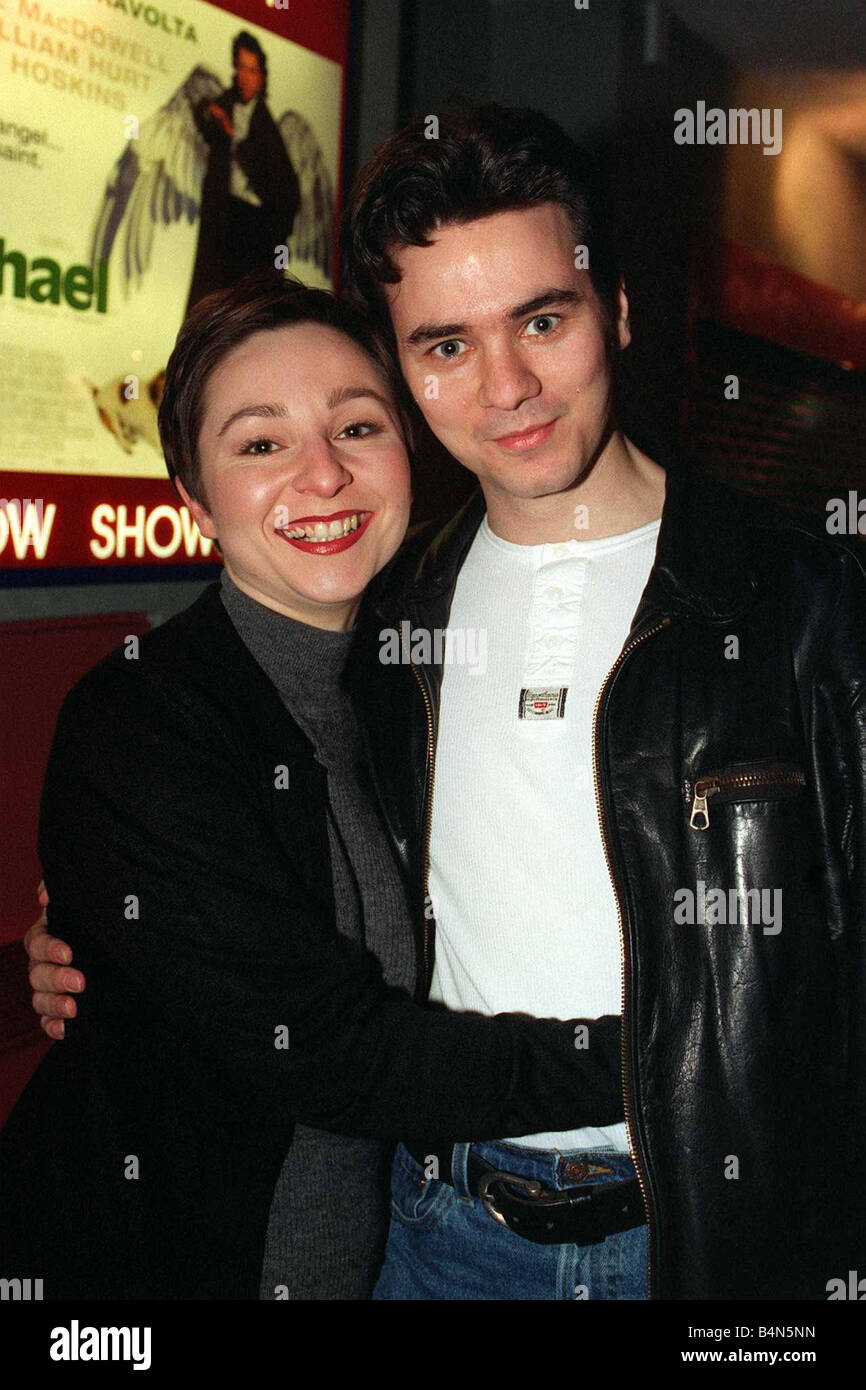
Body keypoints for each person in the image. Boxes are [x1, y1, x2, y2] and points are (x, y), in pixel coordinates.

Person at [28, 104, 866, 1301]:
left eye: (540, 318)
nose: (506, 385)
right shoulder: (389, 619)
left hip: (709, 1242)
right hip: (429, 1234)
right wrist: (104, 945)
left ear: (615, 308)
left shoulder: (808, 595)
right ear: (409, 375)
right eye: (444, 345)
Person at [2, 271, 624, 1301]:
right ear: (192, 494)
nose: (323, 476)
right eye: (259, 443)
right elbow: (337, 1055)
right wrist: (661, 1054)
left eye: (357, 426)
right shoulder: (139, 722)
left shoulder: (415, 680)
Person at [186, 32, 300, 313]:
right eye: (241, 68)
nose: (246, 76)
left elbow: (286, 192)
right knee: (215, 304)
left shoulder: (267, 126)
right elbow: (201, 113)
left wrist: (236, 142)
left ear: (261, 76)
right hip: (225, 219)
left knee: (251, 311)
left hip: (257, 228)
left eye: (252, 70)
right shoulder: (224, 104)